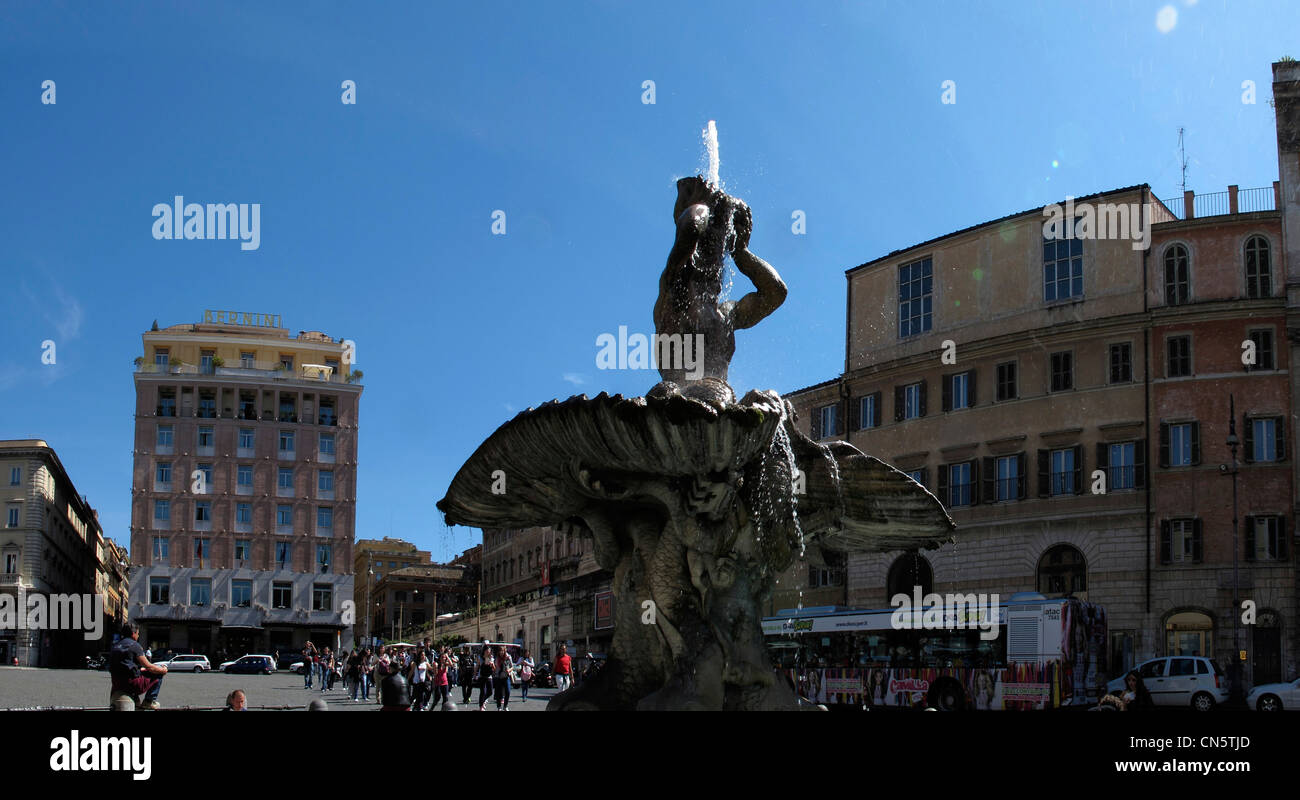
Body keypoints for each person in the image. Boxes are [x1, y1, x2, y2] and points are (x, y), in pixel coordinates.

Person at [108, 622, 168, 710]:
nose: (138, 636)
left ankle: (135, 699)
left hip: (117, 684)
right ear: (133, 633)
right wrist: (163, 670)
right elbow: (149, 667)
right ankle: (149, 701)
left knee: (141, 672)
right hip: (132, 684)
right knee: (158, 673)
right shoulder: (134, 645)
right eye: (138, 633)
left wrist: (140, 670)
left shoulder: (115, 645)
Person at [493, 646, 514, 711]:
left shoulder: (508, 657)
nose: (501, 652)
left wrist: (509, 670)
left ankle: (505, 706)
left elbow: (512, 667)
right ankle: (499, 707)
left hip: (506, 676)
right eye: (500, 651)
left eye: (502, 651)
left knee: (508, 691)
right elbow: (495, 667)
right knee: (499, 693)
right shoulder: (497, 658)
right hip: (498, 676)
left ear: (505, 651)